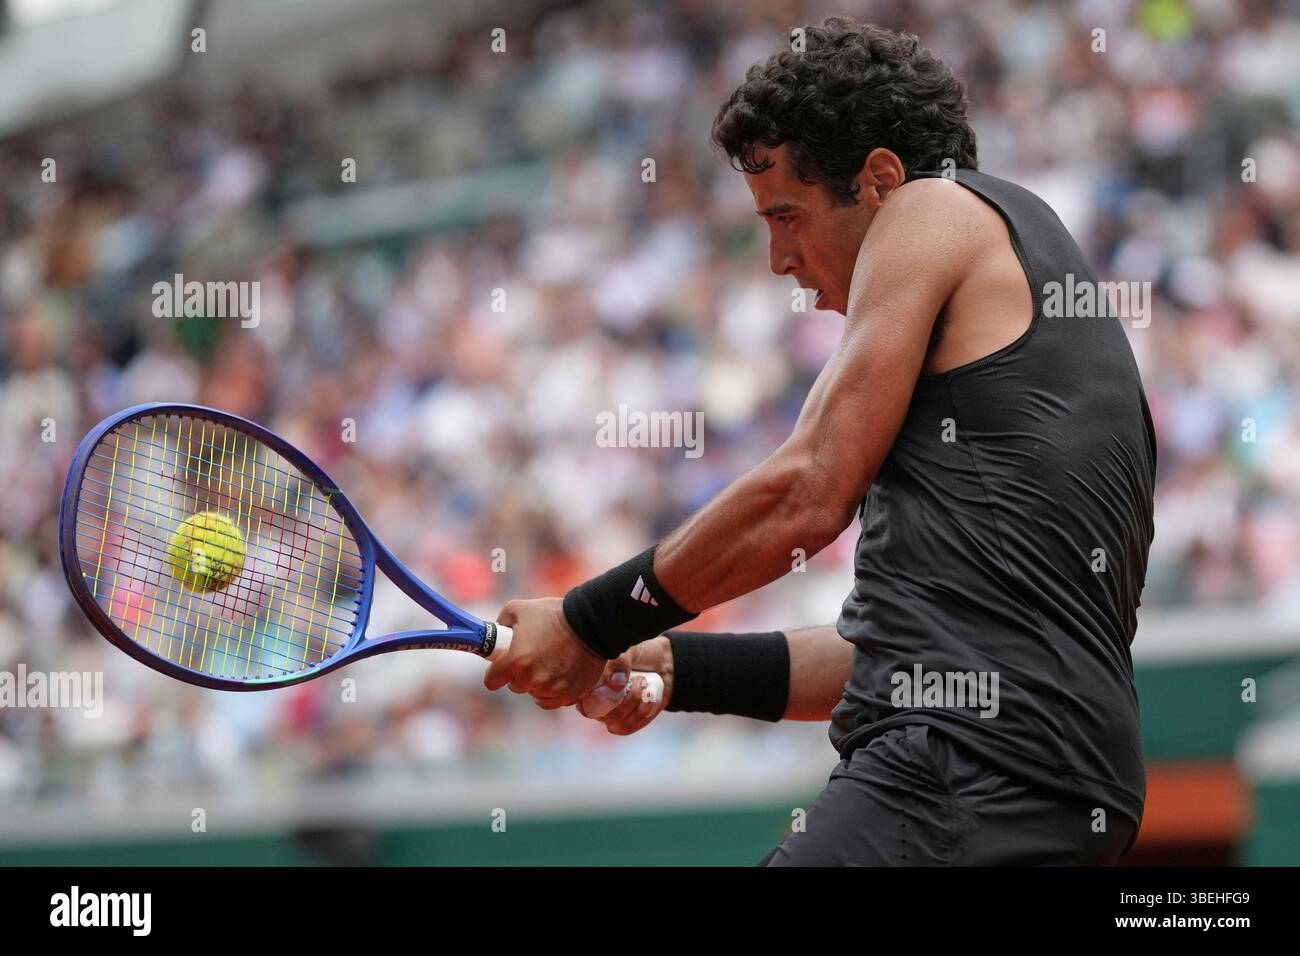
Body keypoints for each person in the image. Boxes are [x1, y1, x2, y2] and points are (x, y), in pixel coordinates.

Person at [484, 17, 1155, 866]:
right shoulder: (1036, 319)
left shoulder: (933, 209)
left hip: (964, 772)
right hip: (1052, 787)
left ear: (878, 179)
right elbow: (906, 660)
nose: (777, 258)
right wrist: (671, 662)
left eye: (788, 216)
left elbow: (807, 491)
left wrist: (588, 622)